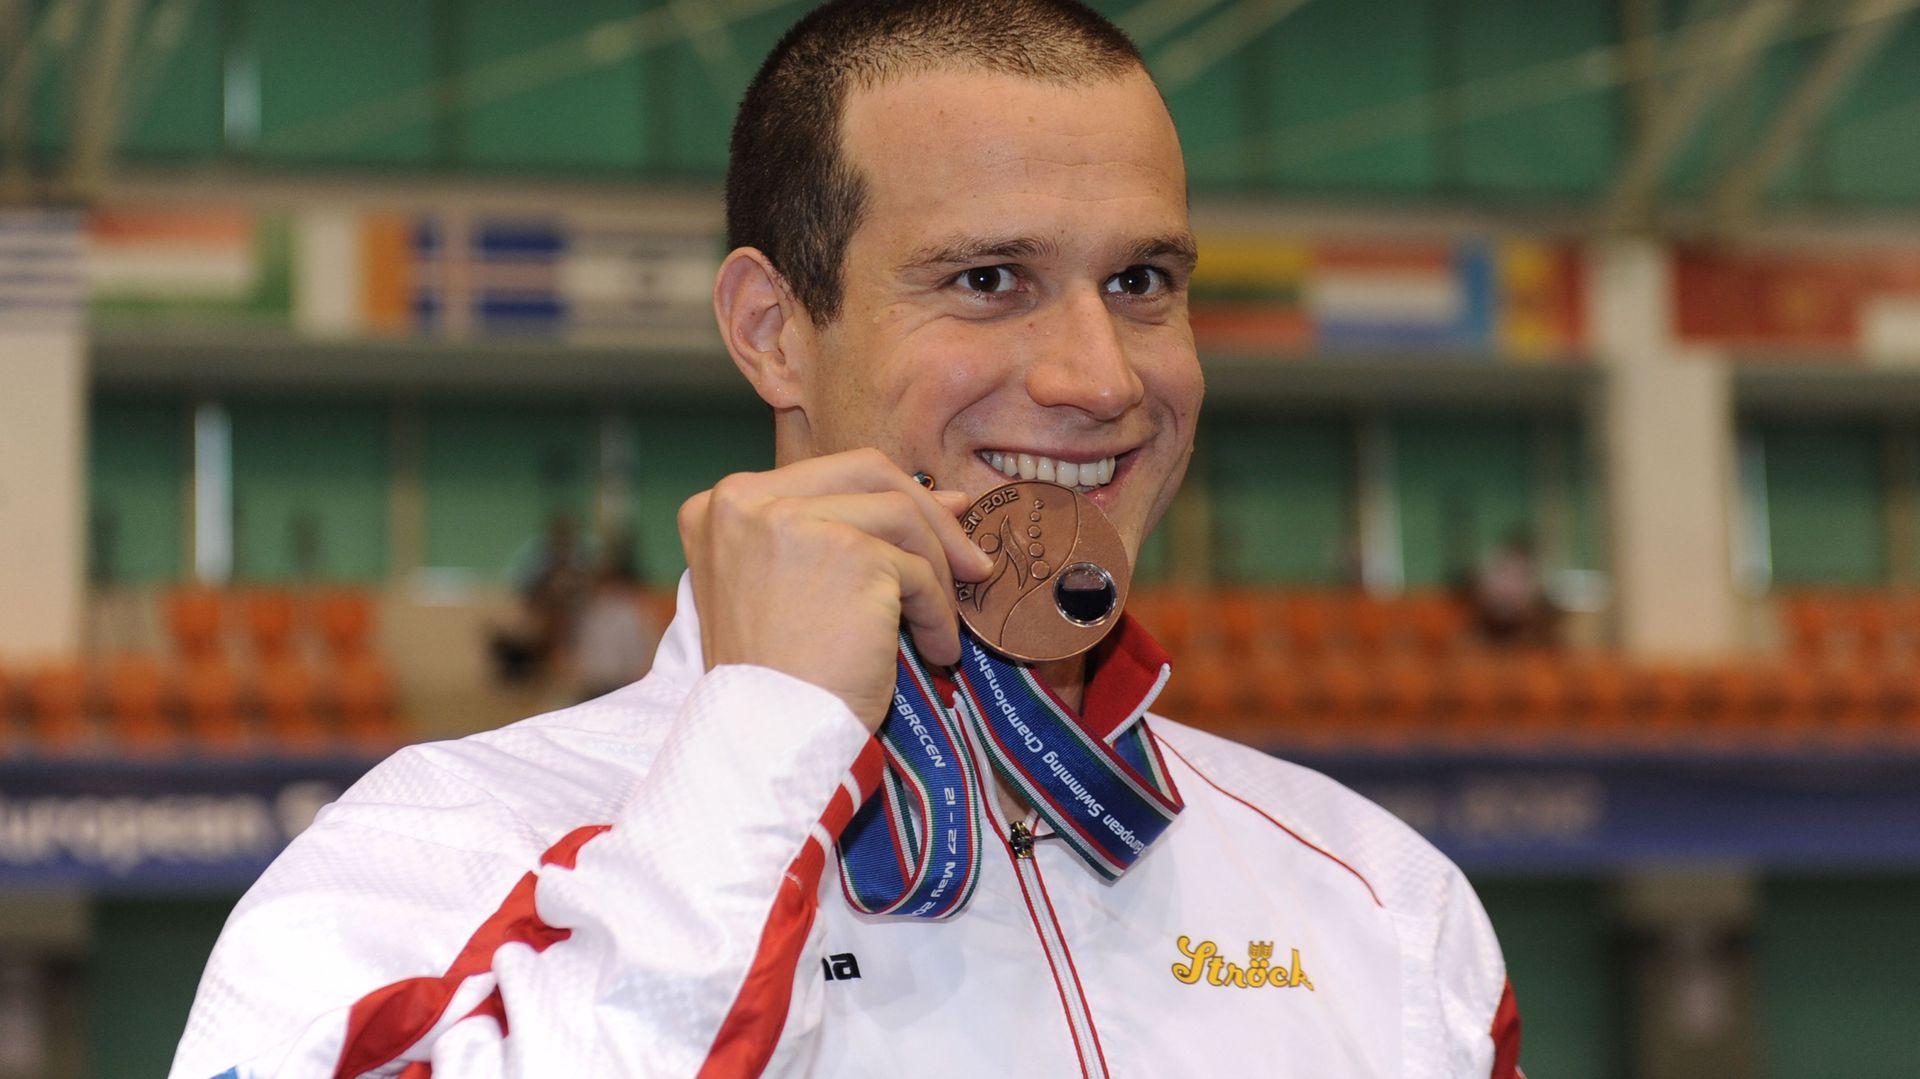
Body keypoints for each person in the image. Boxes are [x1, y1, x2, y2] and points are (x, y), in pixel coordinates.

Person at [172, 3, 1522, 1077]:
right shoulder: (438, 854)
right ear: (773, 332)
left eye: (1141, 282)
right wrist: (766, 745)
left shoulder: (1381, 905)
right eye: (988, 280)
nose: (1102, 376)